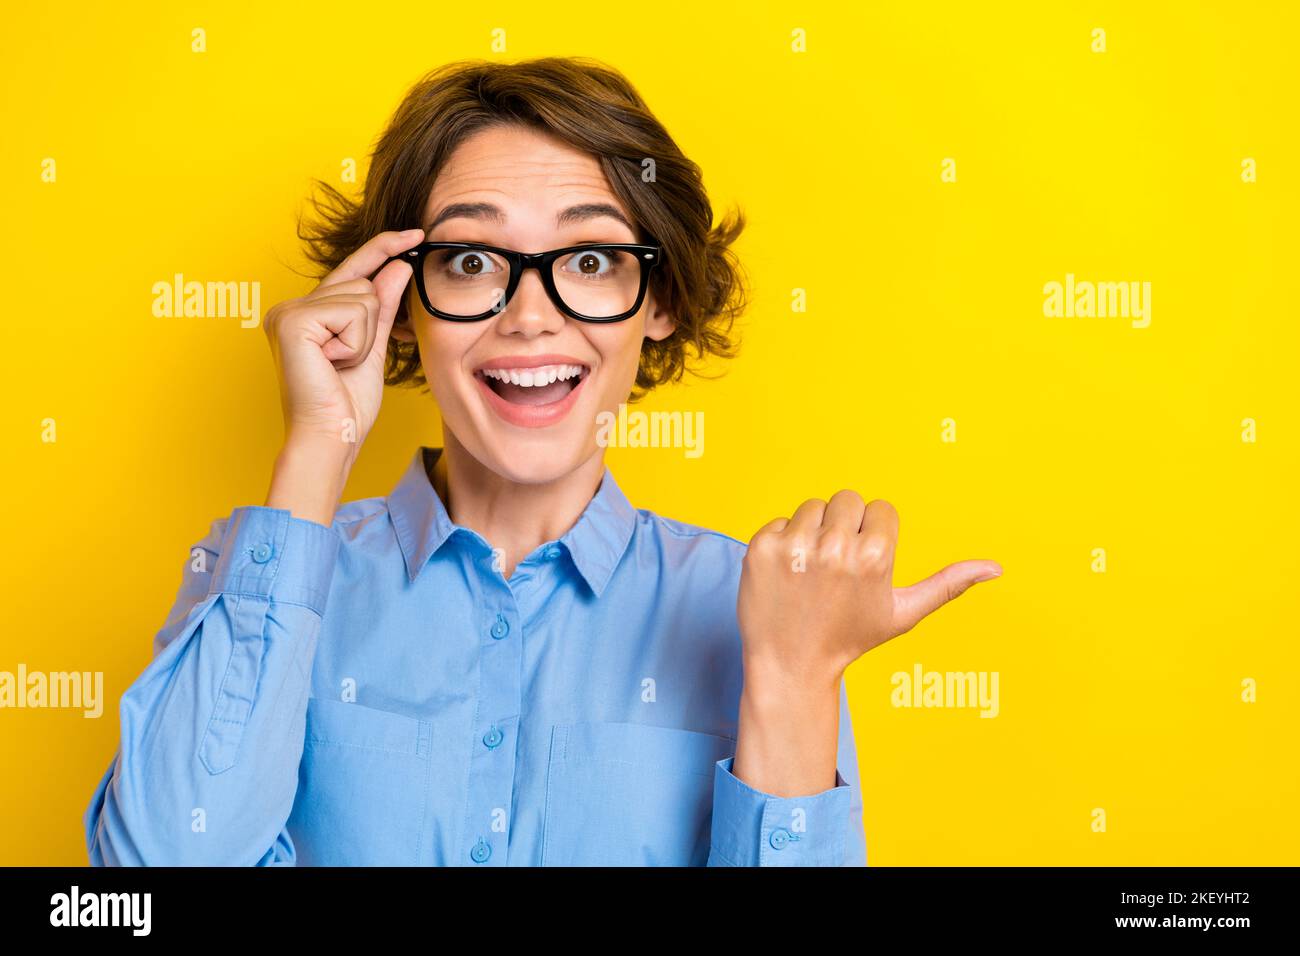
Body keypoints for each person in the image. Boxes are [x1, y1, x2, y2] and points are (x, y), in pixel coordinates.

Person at [84, 56, 1001, 866]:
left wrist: (798, 681)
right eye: (475, 259)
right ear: (401, 301)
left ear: (661, 300)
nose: (530, 316)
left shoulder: (755, 607)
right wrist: (317, 447)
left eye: (593, 259)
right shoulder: (270, 580)